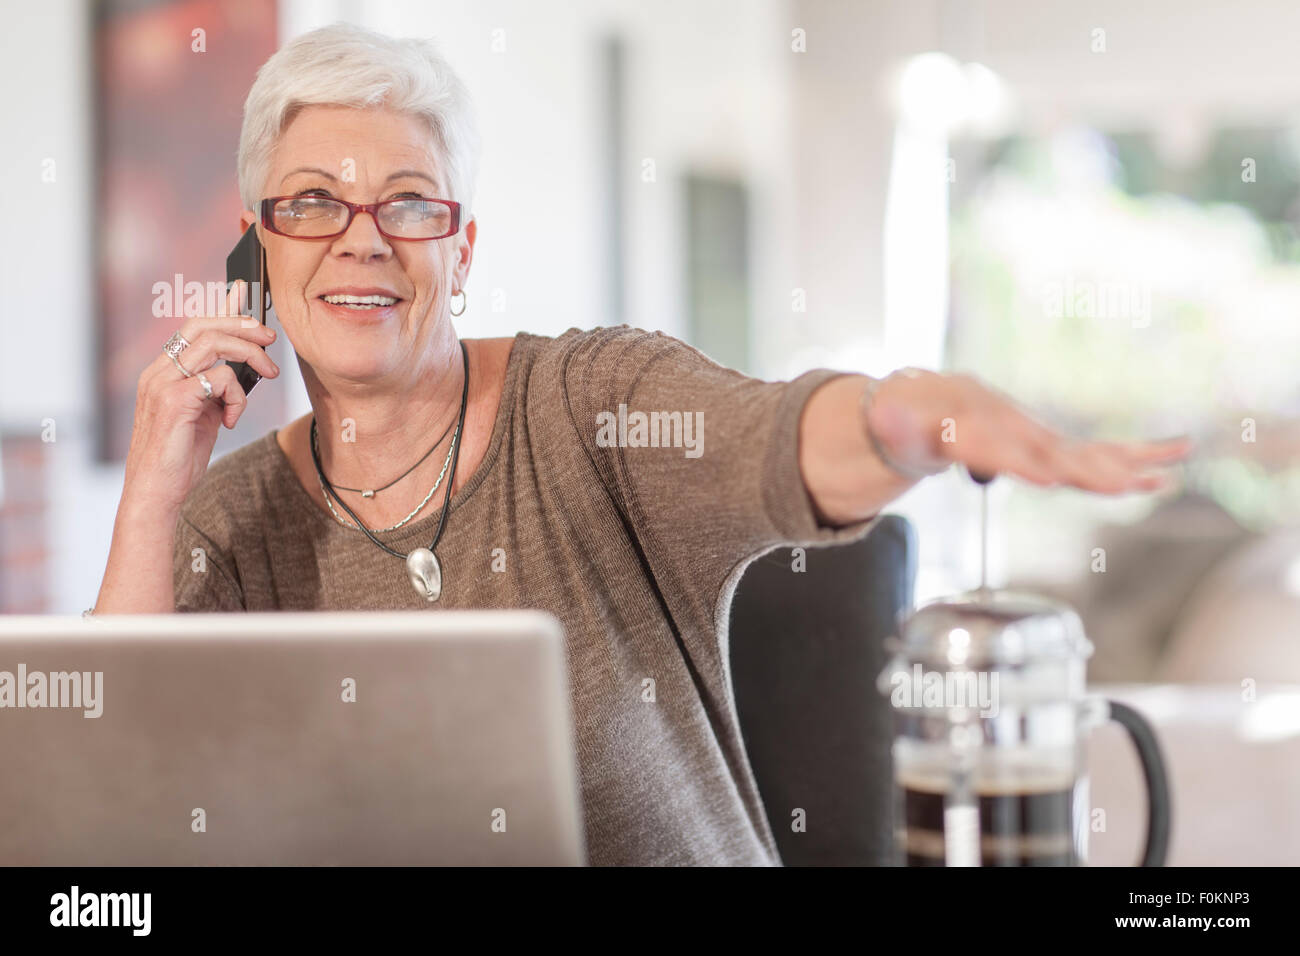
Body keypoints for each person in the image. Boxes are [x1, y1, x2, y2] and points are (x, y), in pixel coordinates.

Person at [91, 23, 1190, 865]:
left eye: (410, 205)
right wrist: (151, 490)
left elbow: (783, 439)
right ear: (258, 255)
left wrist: (899, 415)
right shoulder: (229, 520)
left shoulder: (594, 402)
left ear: (460, 252)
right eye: (313, 204)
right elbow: (110, 810)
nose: (362, 241)